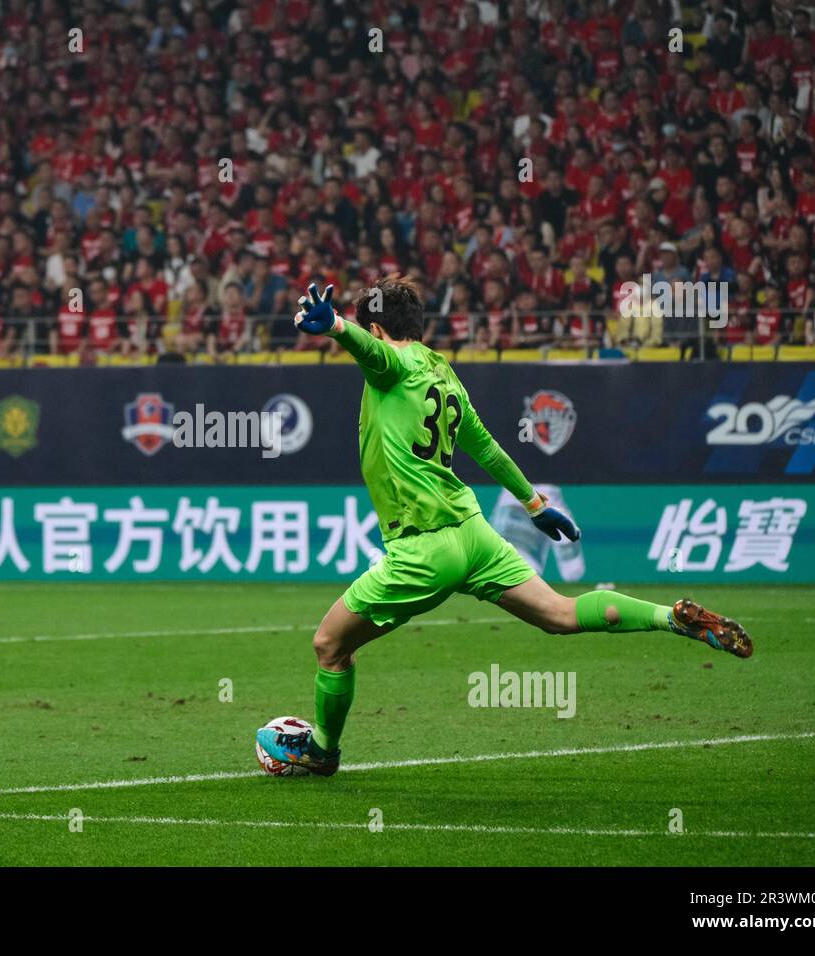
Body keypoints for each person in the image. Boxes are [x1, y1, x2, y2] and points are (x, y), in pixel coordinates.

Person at [256, 277, 753, 777]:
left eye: (371, 330)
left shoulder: (391, 365)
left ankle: (323, 751)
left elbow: (375, 354)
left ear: (379, 329)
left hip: (423, 550)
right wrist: (535, 504)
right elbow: (488, 449)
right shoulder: (443, 373)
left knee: (330, 646)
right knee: (559, 612)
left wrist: (338, 328)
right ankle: (671, 617)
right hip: (473, 534)